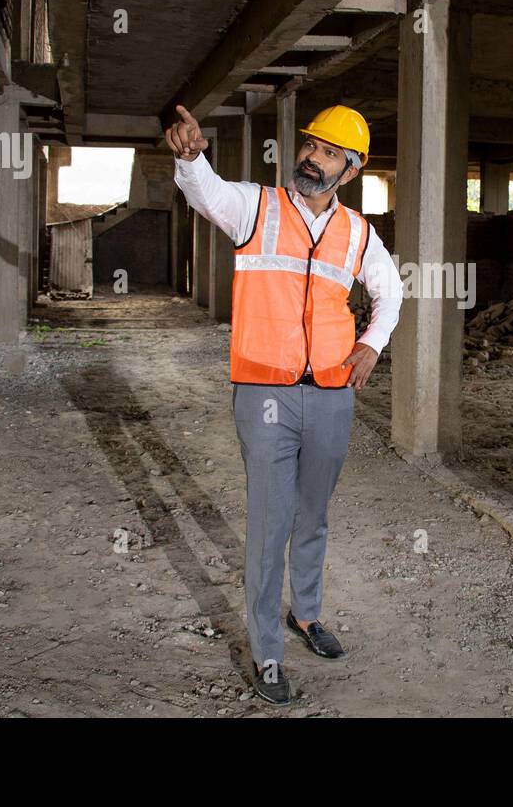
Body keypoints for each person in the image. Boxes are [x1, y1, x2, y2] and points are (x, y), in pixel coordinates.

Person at [166, 102, 403, 705]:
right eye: (310, 146)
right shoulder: (259, 207)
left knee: (312, 513)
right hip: (265, 394)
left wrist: (372, 345)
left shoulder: (358, 233)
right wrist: (192, 160)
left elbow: (390, 290)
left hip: (330, 394)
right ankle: (267, 652)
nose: (312, 158)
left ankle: (308, 614)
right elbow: (207, 193)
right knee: (271, 523)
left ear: (349, 171)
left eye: (328, 153)